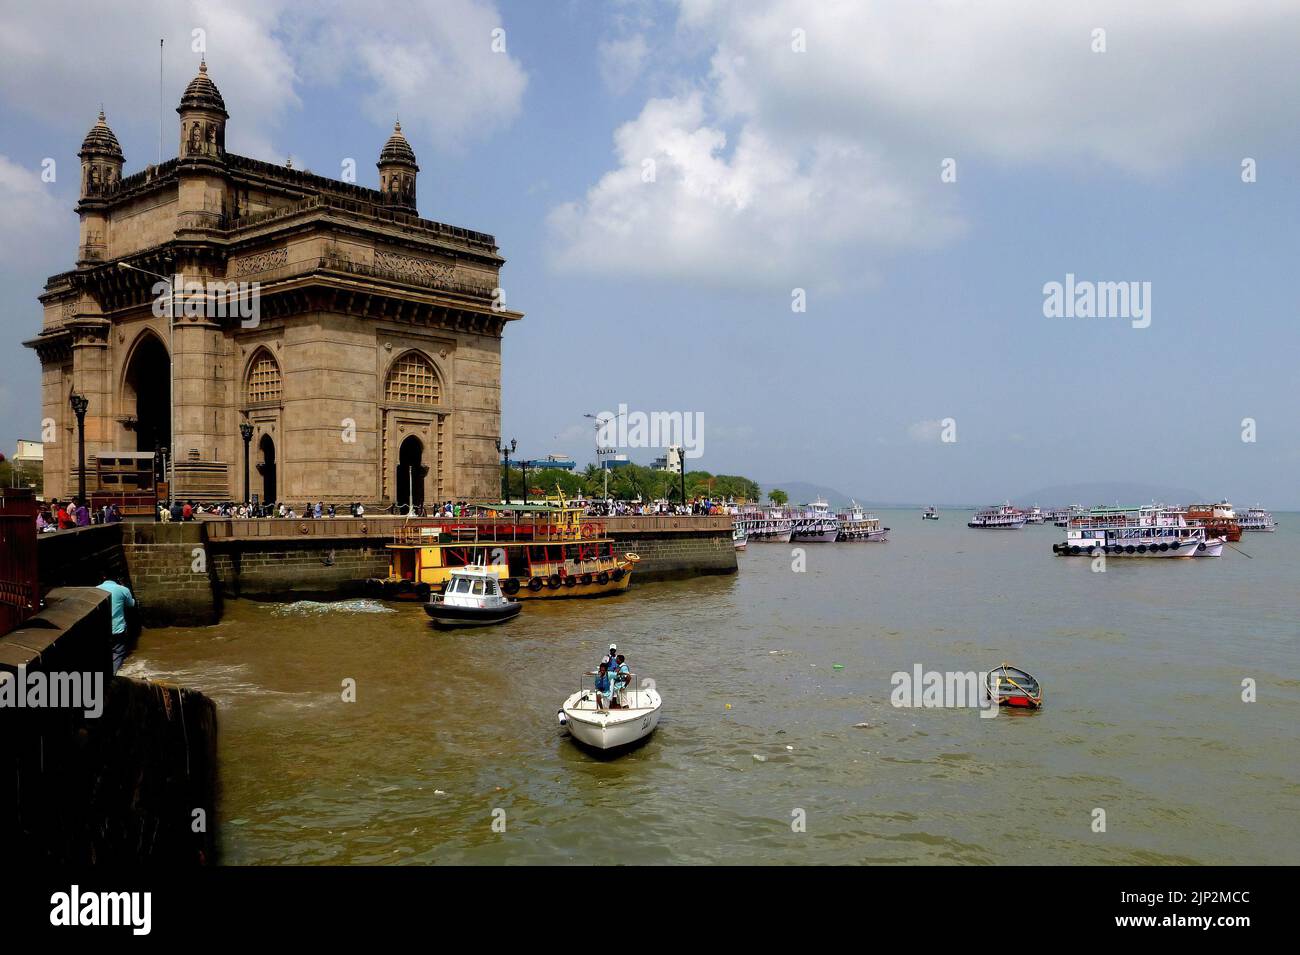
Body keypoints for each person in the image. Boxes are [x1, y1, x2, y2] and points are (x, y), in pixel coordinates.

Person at [96, 576, 136, 674]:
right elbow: (131, 604)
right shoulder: (123, 589)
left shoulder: (95, 589)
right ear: (118, 580)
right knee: (118, 653)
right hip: (117, 628)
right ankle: (113, 677)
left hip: (100, 629)